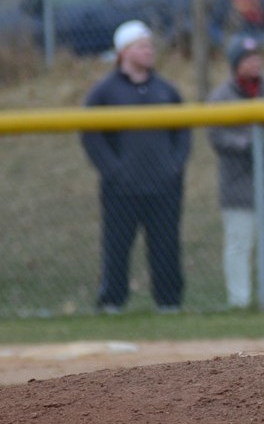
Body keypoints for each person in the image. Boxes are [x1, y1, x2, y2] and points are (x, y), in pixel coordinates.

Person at [81, 20, 191, 313]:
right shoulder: (104, 92)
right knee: (116, 247)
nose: (149, 51)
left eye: (150, 45)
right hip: (122, 189)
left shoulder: (166, 90)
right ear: (124, 51)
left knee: (166, 247)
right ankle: (112, 301)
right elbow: (90, 135)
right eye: (142, 46)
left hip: (163, 186)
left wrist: (174, 166)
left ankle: (169, 302)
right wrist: (113, 170)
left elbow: (183, 133)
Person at [207, 35, 264, 309]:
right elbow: (216, 135)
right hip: (239, 183)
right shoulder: (221, 97)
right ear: (235, 64)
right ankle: (239, 301)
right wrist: (247, 145)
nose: (254, 62)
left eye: (256, 56)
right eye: (247, 58)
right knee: (239, 243)